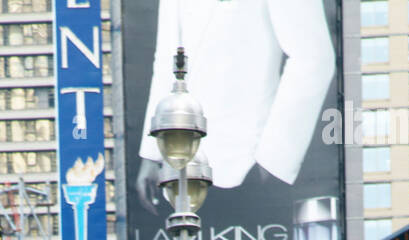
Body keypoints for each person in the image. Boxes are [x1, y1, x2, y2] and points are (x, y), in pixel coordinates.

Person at [135, 0, 336, 213]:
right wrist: (152, 153)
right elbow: (168, 60)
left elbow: (313, 57)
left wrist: (273, 161)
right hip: (181, 170)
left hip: (247, 167)